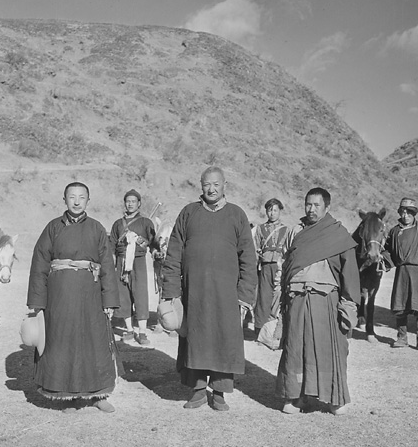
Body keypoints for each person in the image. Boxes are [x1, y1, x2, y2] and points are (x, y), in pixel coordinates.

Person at [161, 166, 257, 412]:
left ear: (224, 185)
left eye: (216, 184)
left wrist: (244, 296)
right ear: (200, 186)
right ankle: (197, 391)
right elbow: (173, 254)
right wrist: (171, 292)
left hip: (226, 294)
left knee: (224, 341)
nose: (211, 189)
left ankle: (220, 392)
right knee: (195, 338)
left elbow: (248, 258)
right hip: (194, 292)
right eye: (207, 184)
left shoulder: (236, 214)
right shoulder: (188, 213)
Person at [26, 182, 120, 413]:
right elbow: (39, 264)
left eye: (81, 197)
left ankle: (99, 394)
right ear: (64, 199)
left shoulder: (97, 229)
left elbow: (107, 265)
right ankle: (67, 396)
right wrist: (38, 303)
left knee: (95, 343)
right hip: (60, 297)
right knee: (62, 342)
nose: (76, 201)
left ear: (88, 200)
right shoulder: (52, 228)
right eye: (71, 197)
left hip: (91, 295)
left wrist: (109, 301)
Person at [275, 188, 359, 415]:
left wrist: (349, 305)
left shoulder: (338, 234)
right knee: (295, 348)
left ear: (327, 207)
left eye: (316, 205)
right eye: (308, 204)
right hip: (297, 298)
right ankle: (294, 397)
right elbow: (285, 265)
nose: (311, 209)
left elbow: (349, 273)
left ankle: (334, 399)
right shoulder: (295, 232)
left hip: (326, 300)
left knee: (329, 349)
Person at [382, 198, 418, 351]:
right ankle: (402, 338)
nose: (405, 214)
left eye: (409, 212)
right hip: (402, 272)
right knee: (400, 306)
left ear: (414, 213)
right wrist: (383, 258)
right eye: (403, 211)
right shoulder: (394, 231)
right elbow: (387, 250)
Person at [109, 189, 160, 346]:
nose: (130, 204)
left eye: (133, 201)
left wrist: (155, 250)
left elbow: (153, 243)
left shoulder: (146, 222)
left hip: (138, 262)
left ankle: (142, 332)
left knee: (140, 294)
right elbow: (111, 245)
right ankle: (129, 330)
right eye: (127, 201)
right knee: (124, 296)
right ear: (125, 203)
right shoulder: (118, 224)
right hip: (121, 262)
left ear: (139, 204)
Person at [252, 198, 289, 336]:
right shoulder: (260, 229)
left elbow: (289, 249)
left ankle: (278, 331)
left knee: (279, 297)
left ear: (280, 211)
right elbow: (255, 248)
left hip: (280, 266)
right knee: (263, 297)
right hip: (266, 266)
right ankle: (260, 330)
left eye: (275, 210)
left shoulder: (286, 230)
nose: (272, 213)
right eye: (269, 210)